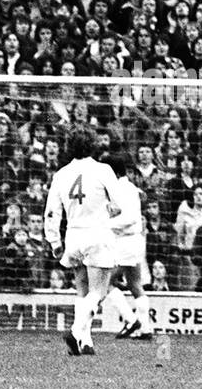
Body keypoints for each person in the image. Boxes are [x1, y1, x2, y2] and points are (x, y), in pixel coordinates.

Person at [44, 126, 120, 356]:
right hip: (97, 233)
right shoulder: (103, 170)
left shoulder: (61, 174)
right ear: (94, 145)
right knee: (99, 291)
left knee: (82, 289)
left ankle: (85, 342)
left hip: (73, 236)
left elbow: (51, 211)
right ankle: (77, 330)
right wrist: (110, 209)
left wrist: (54, 241)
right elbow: (117, 205)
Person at [102, 153, 154, 341]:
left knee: (105, 282)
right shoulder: (129, 188)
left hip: (125, 242)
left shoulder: (122, 189)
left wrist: (105, 225)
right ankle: (146, 329)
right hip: (132, 241)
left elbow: (129, 218)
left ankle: (132, 320)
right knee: (134, 284)